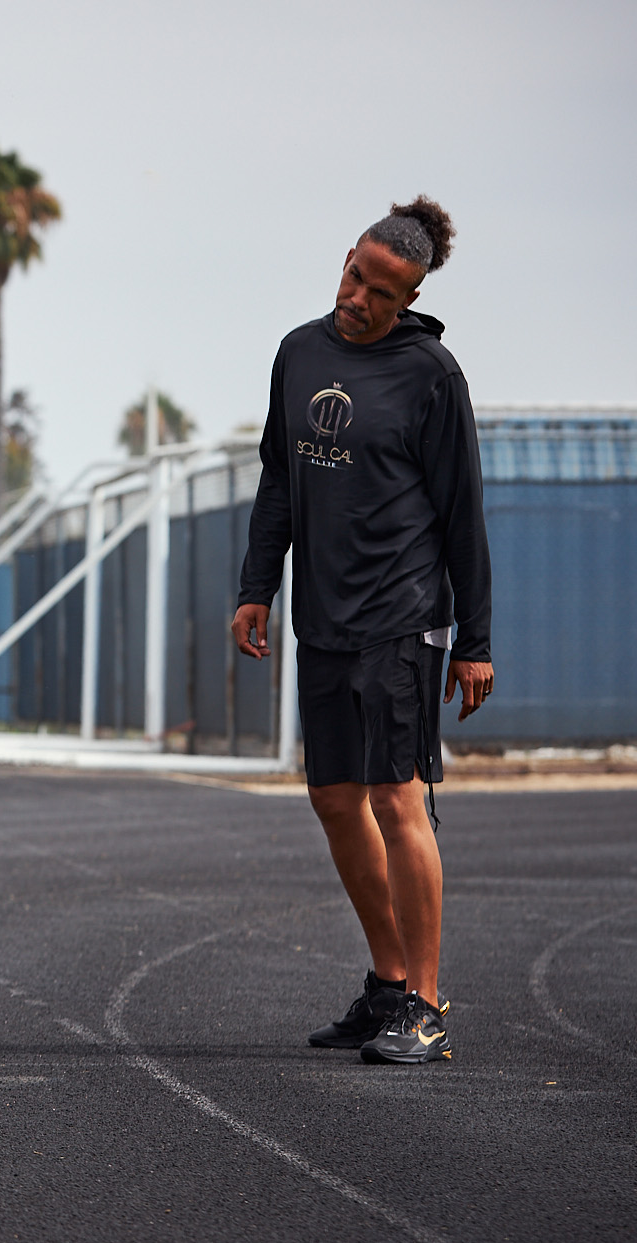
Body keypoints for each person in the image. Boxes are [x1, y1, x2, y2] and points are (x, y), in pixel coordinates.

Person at [232, 197, 493, 1066]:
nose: (358, 297)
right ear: (346, 258)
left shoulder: (432, 376)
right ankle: (386, 983)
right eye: (353, 274)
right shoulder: (299, 352)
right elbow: (279, 478)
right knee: (335, 801)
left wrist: (476, 640)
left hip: (405, 620)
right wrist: (256, 585)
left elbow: (464, 519)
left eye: (381, 292)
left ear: (409, 294)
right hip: (326, 619)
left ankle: (425, 1002)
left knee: (396, 802)